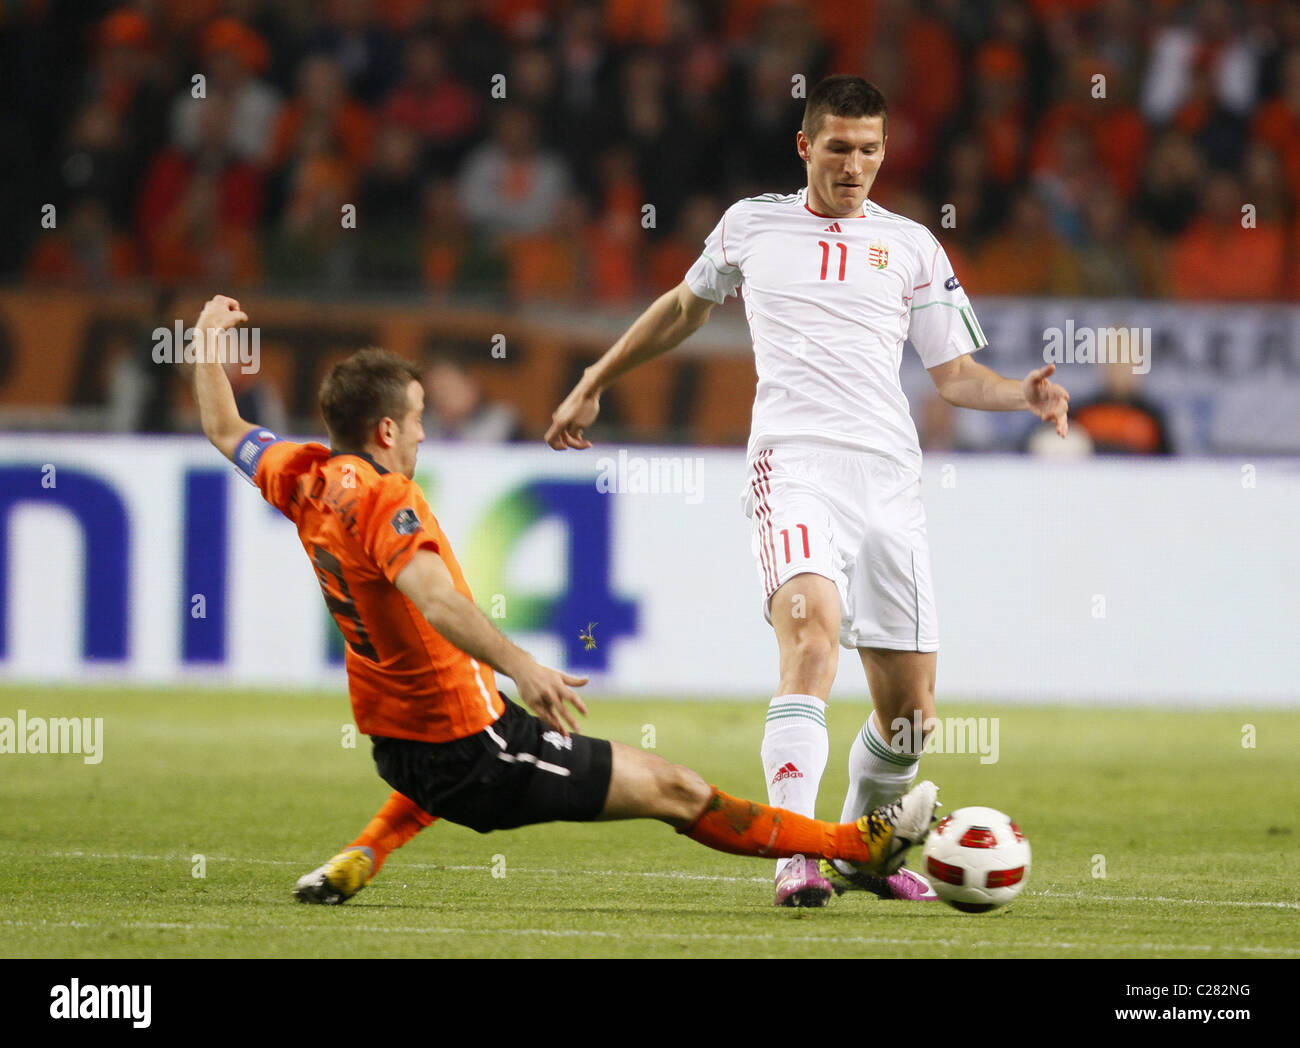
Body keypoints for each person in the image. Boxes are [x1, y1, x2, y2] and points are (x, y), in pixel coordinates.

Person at [187, 294, 938, 904]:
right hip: (470, 749)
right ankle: (855, 844)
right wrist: (525, 666)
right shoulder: (386, 500)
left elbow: (225, 428)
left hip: (396, 745)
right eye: (416, 421)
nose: (423, 434)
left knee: (450, 757)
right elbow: (438, 602)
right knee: (676, 790)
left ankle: (361, 853)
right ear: (386, 430)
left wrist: (205, 348)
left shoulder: (305, 474)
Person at [545, 76, 1069, 908]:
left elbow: (957, 374)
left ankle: (860, 848)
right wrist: (596, 377)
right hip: (792, 466)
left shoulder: (913, 247)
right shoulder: (752, 224)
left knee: (910, 717)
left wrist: (1023, 395)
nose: (854, 165)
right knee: (813, 639)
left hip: (889, 483)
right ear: (805, 146)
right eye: (838, 148)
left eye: (868, 150)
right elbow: (685, 306)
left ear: (885, 152)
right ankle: (797, 853)